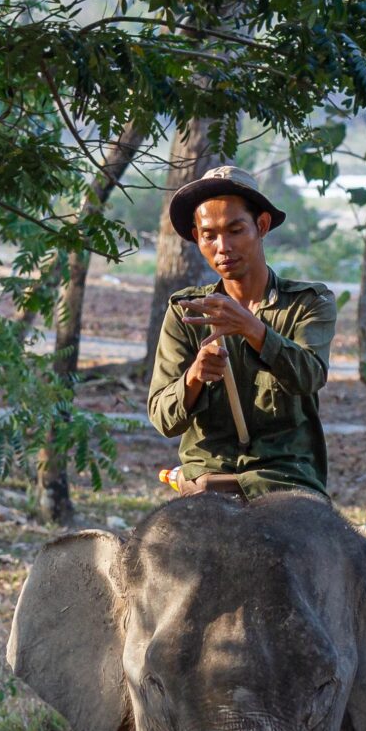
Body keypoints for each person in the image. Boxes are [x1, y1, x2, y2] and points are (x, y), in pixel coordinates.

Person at [146, 164, 338, 498]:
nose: (222, 247)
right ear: (197, 238)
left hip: (285, 479)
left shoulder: (308, 303)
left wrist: (252, 328)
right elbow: (163, 419)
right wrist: (194, 377)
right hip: (206, 479)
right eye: (209, 235)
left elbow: (309, 376)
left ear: (261, 226)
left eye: (235, 230)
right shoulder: (186, 312)